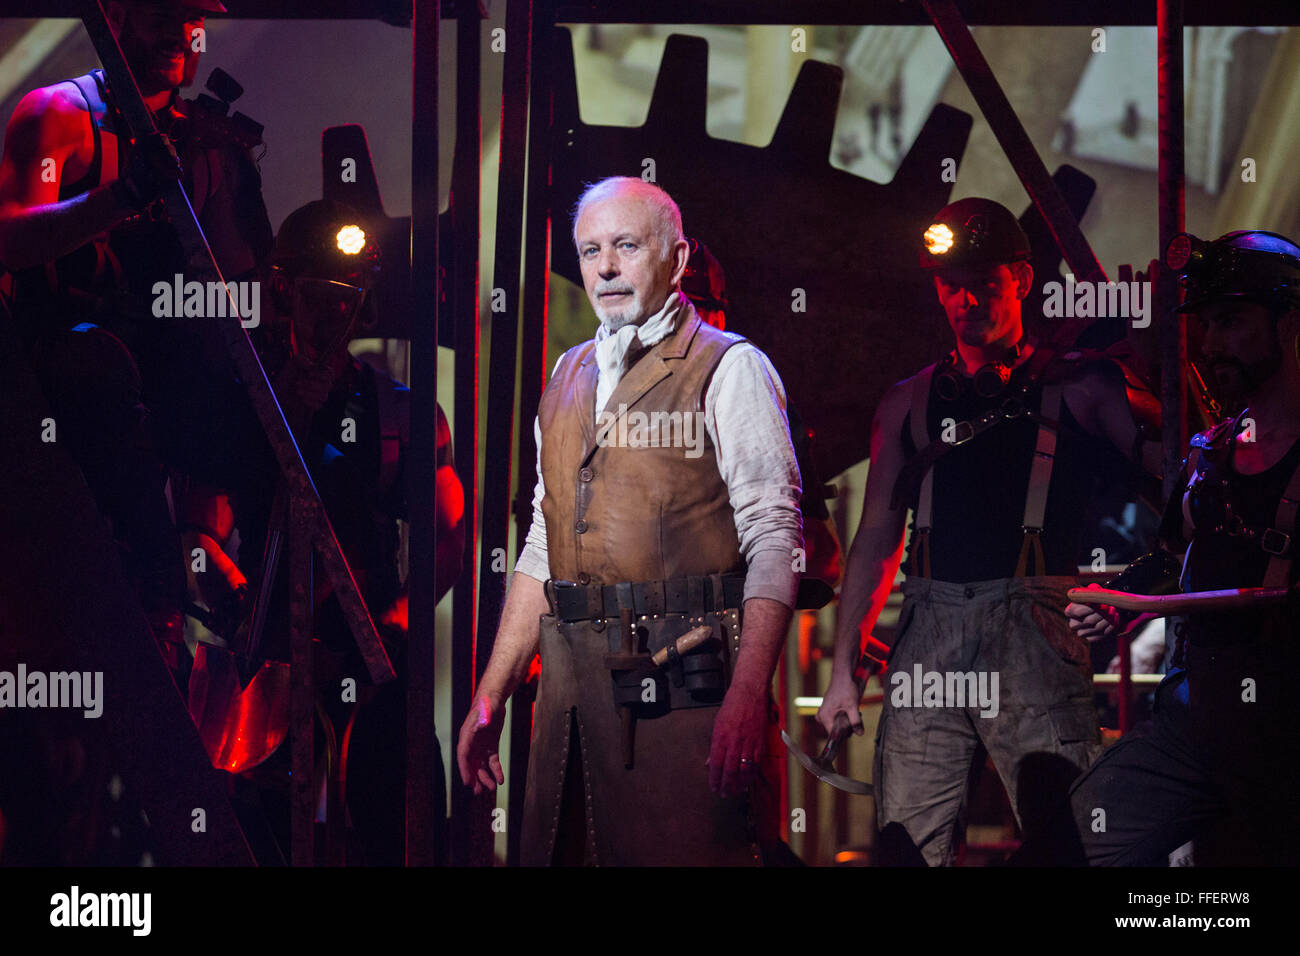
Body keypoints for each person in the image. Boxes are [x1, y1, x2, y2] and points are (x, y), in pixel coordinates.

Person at [456, 177, 803, 865]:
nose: (606, 268)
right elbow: (542, 544)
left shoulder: (730, 368)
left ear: (676, 261)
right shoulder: (566, 374)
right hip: (571, 697)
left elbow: (775, 538)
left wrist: (747, 693)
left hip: (682, 692)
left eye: (625, 247)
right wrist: (490, 696)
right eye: (590, 251)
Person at [817, 197, 1161, 866]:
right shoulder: (908, 402)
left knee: (1069, 841)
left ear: (1022, 280)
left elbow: (1187, 488)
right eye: (951, 285)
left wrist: (1136, 593)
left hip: (1032, 628)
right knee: (907, 849)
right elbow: (876, 540)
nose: (965, 299)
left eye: (984, 283)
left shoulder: (1083, 389)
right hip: (928, 629)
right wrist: (841, 674)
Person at [182, 198, 465, 864]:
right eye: (316, 297)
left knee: (396, 827)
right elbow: (201, 524)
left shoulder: (401, 414)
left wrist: (391, 619)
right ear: (283, 293)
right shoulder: (237, 402)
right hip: (261, 668)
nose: (330, 315)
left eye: (346, 298)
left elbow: (445, 536)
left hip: (370, 663)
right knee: (254, 839)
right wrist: (234, 594)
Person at [0, 0, 272, 668]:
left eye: (193, 18)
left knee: (268, 430)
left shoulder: (206, 143)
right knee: (101, 368)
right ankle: (156, 598)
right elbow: (10, 235)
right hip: (57, 372)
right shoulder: (58, 114)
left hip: (162, 376)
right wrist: (120, 197)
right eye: (162, 13)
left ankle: (268, 642)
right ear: (119, 17)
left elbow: (240, 293)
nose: (179, 34)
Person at [1065, 230, 1300, 866]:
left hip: (1289, 736)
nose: (1213, 344)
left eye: (1231, 322)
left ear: (1290, 324)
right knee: (1067, 848)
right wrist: (1120, 603)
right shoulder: (1214, 451)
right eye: (1207, 325)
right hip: (1197, 726)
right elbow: (1174, 558)